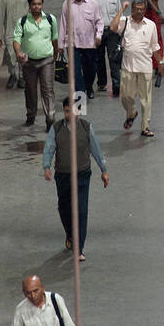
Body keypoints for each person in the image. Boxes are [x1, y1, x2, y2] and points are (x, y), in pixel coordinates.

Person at [43, 96, 109, 261]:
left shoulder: (87, 128)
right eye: (66, 111)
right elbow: (49, 148)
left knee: (81, 211)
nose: (69, 115)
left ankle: (79, 248)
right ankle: (70, 235)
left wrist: (104, 170)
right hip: (63, 175)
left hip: (82, 175)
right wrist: (46, 166)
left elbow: (96, 149)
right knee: (64, 208)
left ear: (78, 111)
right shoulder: (56, 129)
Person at [111, 0, 163, 138]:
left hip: (145, 67)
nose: (139, 11)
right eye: (136, 9)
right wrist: (122, 9)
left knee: (146, 100)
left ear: (145, 10)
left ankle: (145, 127)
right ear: (132, 10)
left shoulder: (151, 25)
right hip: (128, 68)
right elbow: (112, 27)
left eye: (142, 9)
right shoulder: (125, 21)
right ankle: (131, 112)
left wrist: (160, 64)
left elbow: (154, 47)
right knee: (125, 97)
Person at [12, 0, 58, 130]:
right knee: (30, 90)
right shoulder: (23, 21)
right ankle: (31, 114)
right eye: (34, 4)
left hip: (47, 60)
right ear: (30, 6)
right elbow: (16, 39)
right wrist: (18, 52)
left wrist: (55, 52)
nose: (36, 7)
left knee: (48, 90)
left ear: (42, 5)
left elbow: (54, 37)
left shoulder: (50, 19)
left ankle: (50, 118)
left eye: (39, 4)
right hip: (29, 63)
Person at [60, 0, 104, 99]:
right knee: (75, 71)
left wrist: (98, 36)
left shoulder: (93, 4)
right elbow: (63, 25)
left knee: (90, 69)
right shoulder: (66, 4)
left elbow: (99, 21)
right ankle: (80, 94)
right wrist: (60, 45)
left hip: (90, 44)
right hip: (73, 44)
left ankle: (89, 87)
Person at [89, 0, 123, 97]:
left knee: (113, 58)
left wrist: (120, 28)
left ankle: (116, 85)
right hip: (98, 31)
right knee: (99, 58)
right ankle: (102, 82)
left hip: (112, 31)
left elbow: (119, 11)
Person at [0, 0, 30, 90]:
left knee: (23, 54)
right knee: (12, 56)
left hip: (25, 31)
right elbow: (0, 18)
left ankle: (21, 77)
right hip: (10, 33)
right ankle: (15, 76)